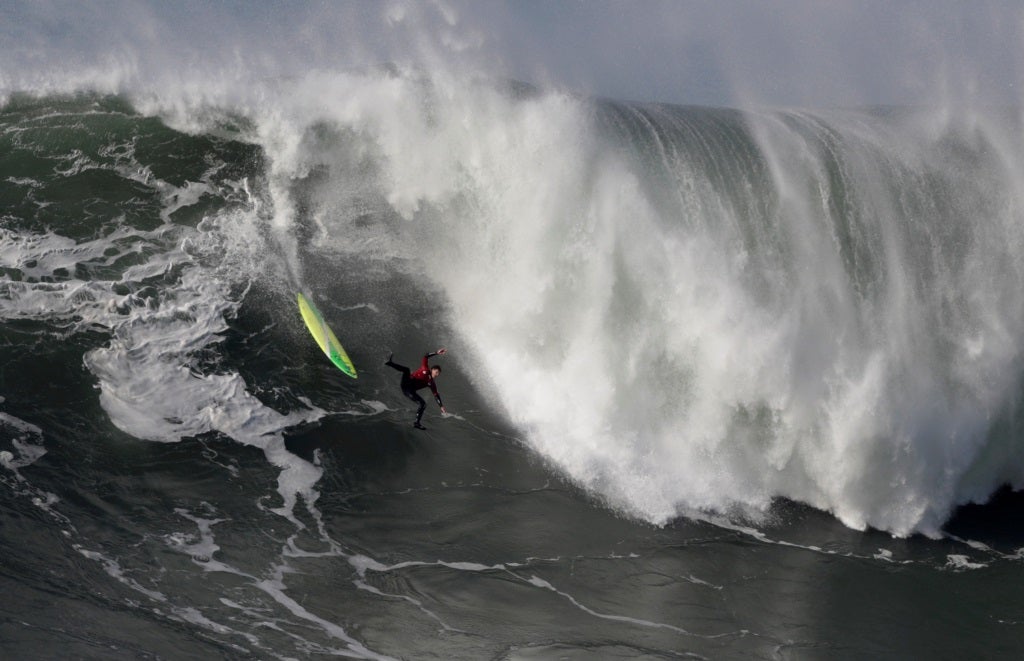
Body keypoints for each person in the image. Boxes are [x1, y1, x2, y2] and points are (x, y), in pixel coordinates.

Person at [385, 348, 447, 429]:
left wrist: (441, 407)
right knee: (406, 370)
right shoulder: (425, 369)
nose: (437, 374)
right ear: (432, 370)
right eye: (436, 372)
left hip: (409, 391)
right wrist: (436, 353)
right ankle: (390, 363)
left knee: (423, 404)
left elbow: (436, 395)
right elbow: (425, 356)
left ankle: (417, 423)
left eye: (438, 373)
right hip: (406, 383)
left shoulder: (431, 383)